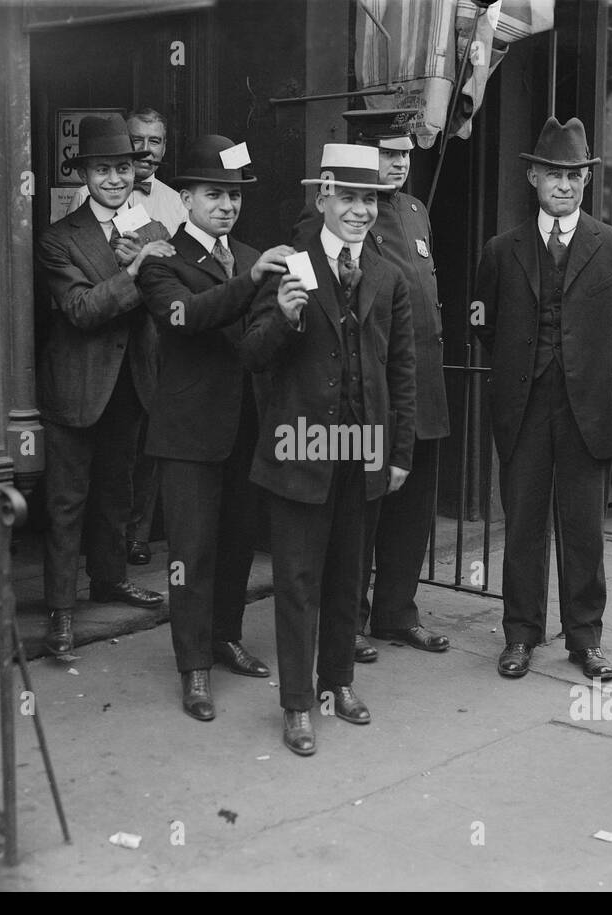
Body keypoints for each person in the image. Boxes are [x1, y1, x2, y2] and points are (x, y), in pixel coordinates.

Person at [242, 143, 416, 756]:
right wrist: (284, 319)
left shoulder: (387, 274)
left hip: (361, 448)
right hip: (299, 448)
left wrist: (399, 453)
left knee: (349, 575)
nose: (360, 211)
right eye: (348, 198)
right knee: (296, 580)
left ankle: (337, 682)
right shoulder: (291, 265)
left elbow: (401, 368)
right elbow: (253, 355)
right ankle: (296, 705)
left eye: (369, 200)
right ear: (323, 200)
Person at [471, 116, 612, 684]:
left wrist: (603, 380)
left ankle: (585, 638)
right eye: (553, 174)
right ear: (533, 179)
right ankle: (520, 635)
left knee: (583, 531)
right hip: (524, 408)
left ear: (587, 180)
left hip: (587, 412)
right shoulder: (502, 250)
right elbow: (486, 325)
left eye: (574, 174)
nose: (564, 185)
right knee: (522, 525)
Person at [137, 135, 292, 720]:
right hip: (188, 433)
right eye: (213, 194)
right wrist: (254, 284)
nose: (226, 205)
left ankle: (226, 637)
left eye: (233, 195)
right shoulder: (161, 262)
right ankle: (193, 666)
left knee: (236, 546)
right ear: (186, 199)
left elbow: (261, 341)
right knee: (191, 553)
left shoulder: (251, 255)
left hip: (247, 427)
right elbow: (188, 318)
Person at [36, 114, 171, 658]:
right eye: (101, 169)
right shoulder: (57, 239)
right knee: (67, 503)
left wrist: (149, 263)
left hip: (132, 382)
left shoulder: (155, 229)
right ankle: (61, 610)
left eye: (122, 168)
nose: (113, 179)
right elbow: (82, 309)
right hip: (76, 386)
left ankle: (109, 580)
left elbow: (170, 298)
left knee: (119, 494)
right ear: (83, 174)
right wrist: (138, 271)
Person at [339, 108, 450, 662]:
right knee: (365, 508)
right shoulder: (347, 213)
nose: (400, 163)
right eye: (388, 154)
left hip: (421, 386)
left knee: (413, 512)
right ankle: (348, 619)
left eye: (405, 154)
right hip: (374, 390)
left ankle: (396, 613)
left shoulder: (414, 209)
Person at [67, 108, 188, 565]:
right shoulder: (90, 195)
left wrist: (151, 259)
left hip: (156, 335)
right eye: (137, 142)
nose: (145, 153)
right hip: (106, 336)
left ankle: (136, 533)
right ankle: (102, 544)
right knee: (107, 448)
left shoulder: (173, 202)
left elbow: (181, 265)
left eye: (155, 142)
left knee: (150, 436)